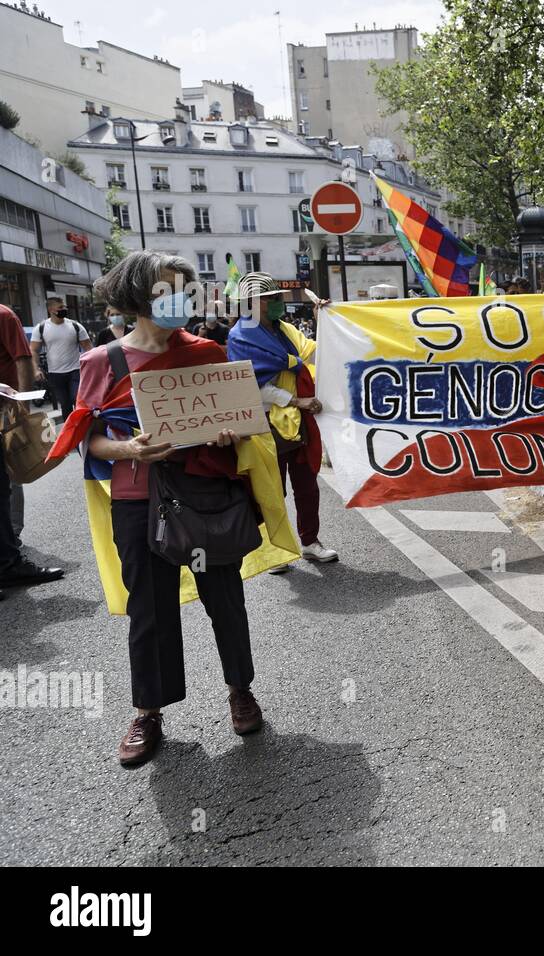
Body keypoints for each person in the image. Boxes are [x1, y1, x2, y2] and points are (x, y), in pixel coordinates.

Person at [69, 251, 264, 765]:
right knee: (149, 609)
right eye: (165, 289)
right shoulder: (101, 363)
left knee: (224, 596)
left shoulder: (207, 353)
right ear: (136, 296)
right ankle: (148, 711)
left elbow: (240, 422)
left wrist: (227, 434)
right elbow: (88, 440)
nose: (179, 298)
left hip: (205, 494)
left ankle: (240, 689)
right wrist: (130, 449)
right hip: (138, 501)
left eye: (184, 288)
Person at [227, 273, 339, 571]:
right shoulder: (240, 337)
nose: (279, 302)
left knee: (307, 484)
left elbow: (313, 354)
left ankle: (310, 542)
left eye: (278, 297)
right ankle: (275, 550)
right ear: (252, 304)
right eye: (271, 299)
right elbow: (251, 385)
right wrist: (295, 400)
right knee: (270, 489)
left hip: (298, 420)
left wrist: (323, 322)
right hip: (265, 422)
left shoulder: (286, 330)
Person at [0, 303, 64, 597]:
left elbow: (22, 359)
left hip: (5, 411)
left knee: (6, 483)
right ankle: (8, 561)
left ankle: (9, 557)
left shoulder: (3, 315)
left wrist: (22, 410)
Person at [31, 297, 92, 421]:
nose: (64, 309)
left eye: (64, 307)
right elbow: (33, 350)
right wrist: (36, 369)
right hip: (55, 374)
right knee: (65, 404)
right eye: (60, 307)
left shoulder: (75, 326)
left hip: (75, 371)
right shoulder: (41, 328)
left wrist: (93, 367)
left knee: (77, 399)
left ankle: (84, 429)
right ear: (51, 310)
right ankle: (69, 432)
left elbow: (88, 347)